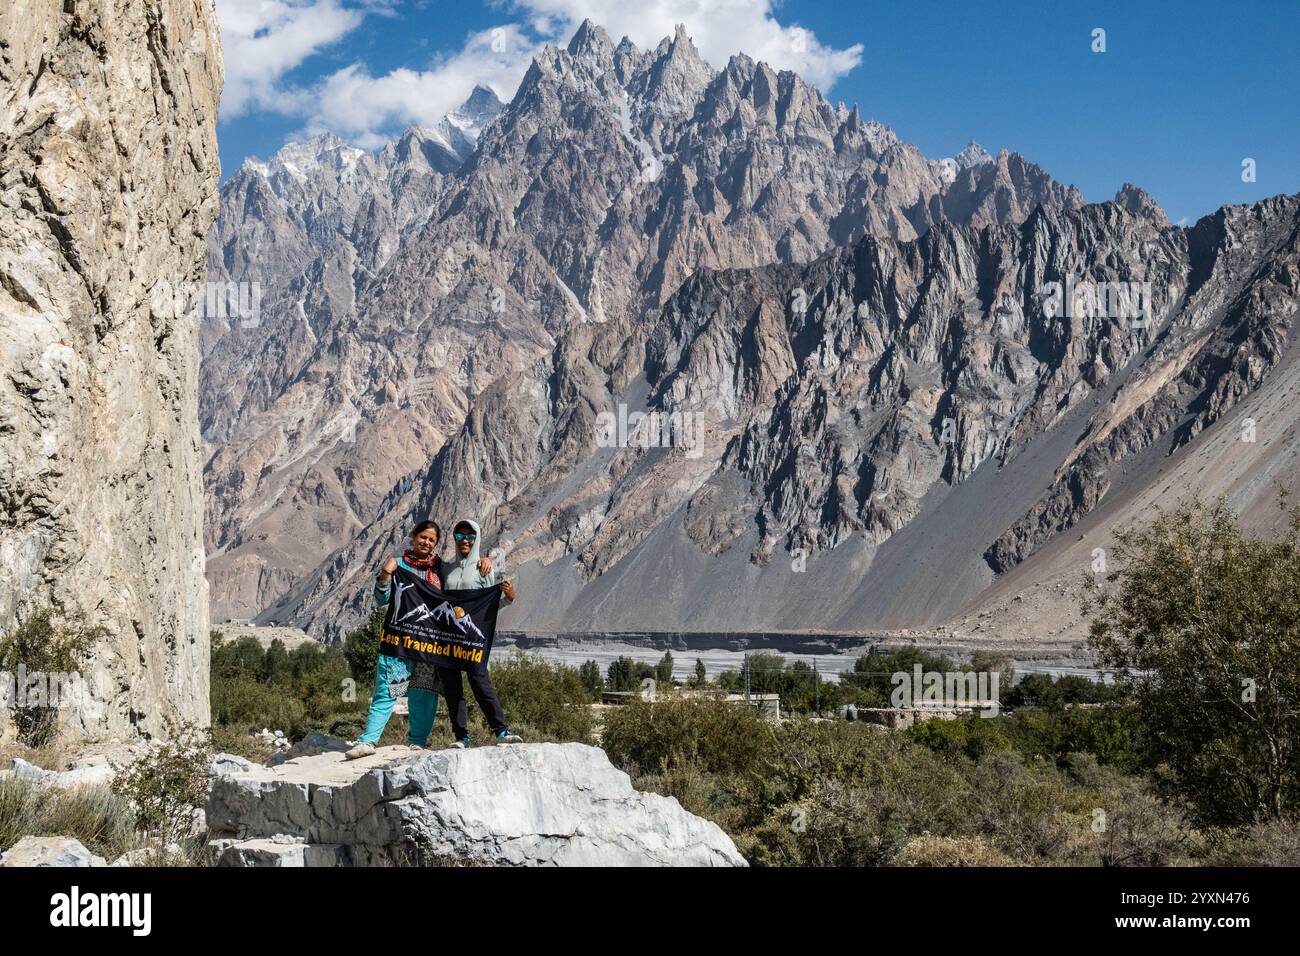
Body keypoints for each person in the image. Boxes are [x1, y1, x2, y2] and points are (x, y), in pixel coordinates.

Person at [344, 519, 491, 760]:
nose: (427, 542)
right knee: (387, 691)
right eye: (423, 537)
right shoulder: (398, 565)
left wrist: (482, 563)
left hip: (428, 644)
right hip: (399, 640)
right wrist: (385, 574)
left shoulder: (440, 569)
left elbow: (459, 588)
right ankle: (368, 741)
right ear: (413, 537)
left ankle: (417, 743)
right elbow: (382, 600)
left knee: (423, 692)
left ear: (436, 544)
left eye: (432, 540)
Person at [436, 518, 521, 747]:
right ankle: (461, 736)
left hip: (472, 638)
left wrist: (509, 599)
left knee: (480, 681)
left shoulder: (484, 570)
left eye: (470, 536)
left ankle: (501, 731)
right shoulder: (445, 569)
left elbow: (488, 606)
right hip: (448, 638)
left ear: (477, 538)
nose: (465, 540)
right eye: (460, 536)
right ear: (454, 539)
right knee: (452, 688)